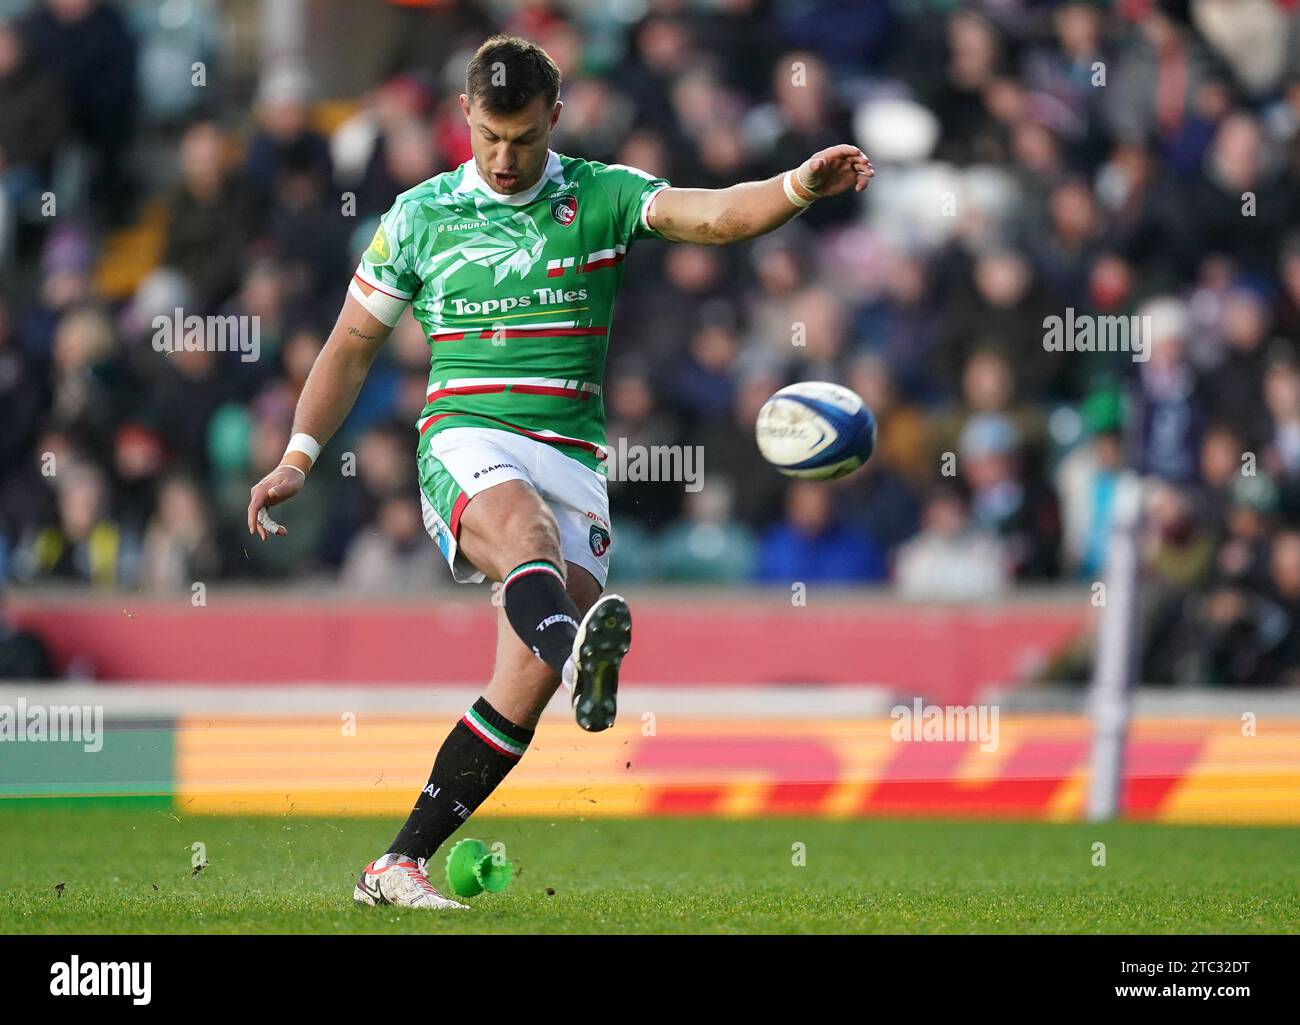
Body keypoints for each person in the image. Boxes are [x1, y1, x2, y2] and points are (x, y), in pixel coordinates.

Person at [244, 35, 873, 910]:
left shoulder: (601, 195)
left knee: (522, 688)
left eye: (526, 139)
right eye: (491, 137)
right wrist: (297, 456)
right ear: (464, 115)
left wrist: (799, 185)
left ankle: (395, 865)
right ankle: (577, 649)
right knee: (525, 542)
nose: (505, 159)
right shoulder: (418, 216)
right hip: (467, 433)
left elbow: (716, 215)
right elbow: (351, 345)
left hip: (573, 455)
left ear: (556, 120)